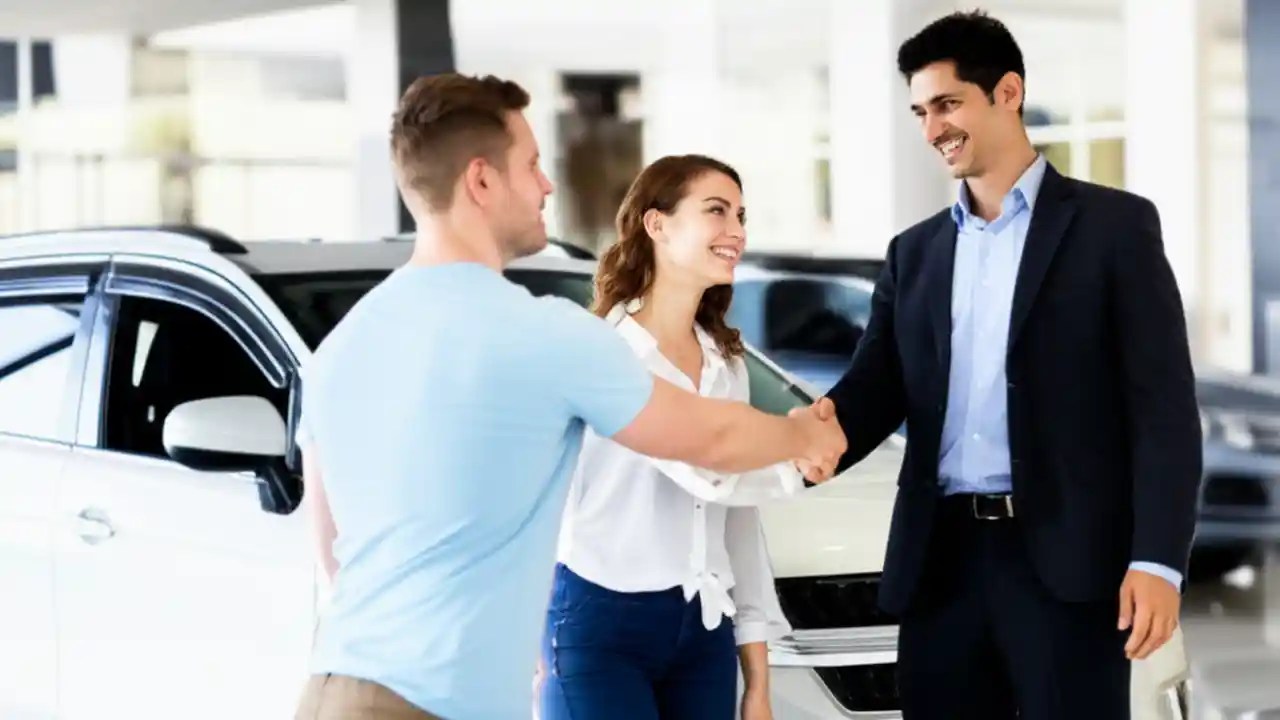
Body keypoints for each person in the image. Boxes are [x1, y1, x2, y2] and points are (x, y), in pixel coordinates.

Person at [291, 73, 846, 720]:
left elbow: (331, 550)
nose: (548, 185)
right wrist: (806, 433)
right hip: (434, 704)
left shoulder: (341, 345)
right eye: (531, 165)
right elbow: (709, 438)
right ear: (481, 180)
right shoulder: (538, 332)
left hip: (336, 689)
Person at [812, 12, 1202, 720]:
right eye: (921, 112)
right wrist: (769, 442)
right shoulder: (915, 252)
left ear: (1008, 92)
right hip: (941, 566)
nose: (932, 129)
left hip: (1068, 565)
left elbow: (1164, 412)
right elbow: (872, 395)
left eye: (948, 103)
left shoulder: (1115, 229)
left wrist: (1158, 560)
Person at [537, 155, 795, 720]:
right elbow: (703, 464)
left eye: (741, 215)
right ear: (657, 225)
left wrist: (758, 681)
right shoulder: (600, 353)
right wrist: (796, 444)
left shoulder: (727, 363)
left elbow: (740, 522)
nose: (737, 231)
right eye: (716, 211)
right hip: (599, 627)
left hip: (705, 630)